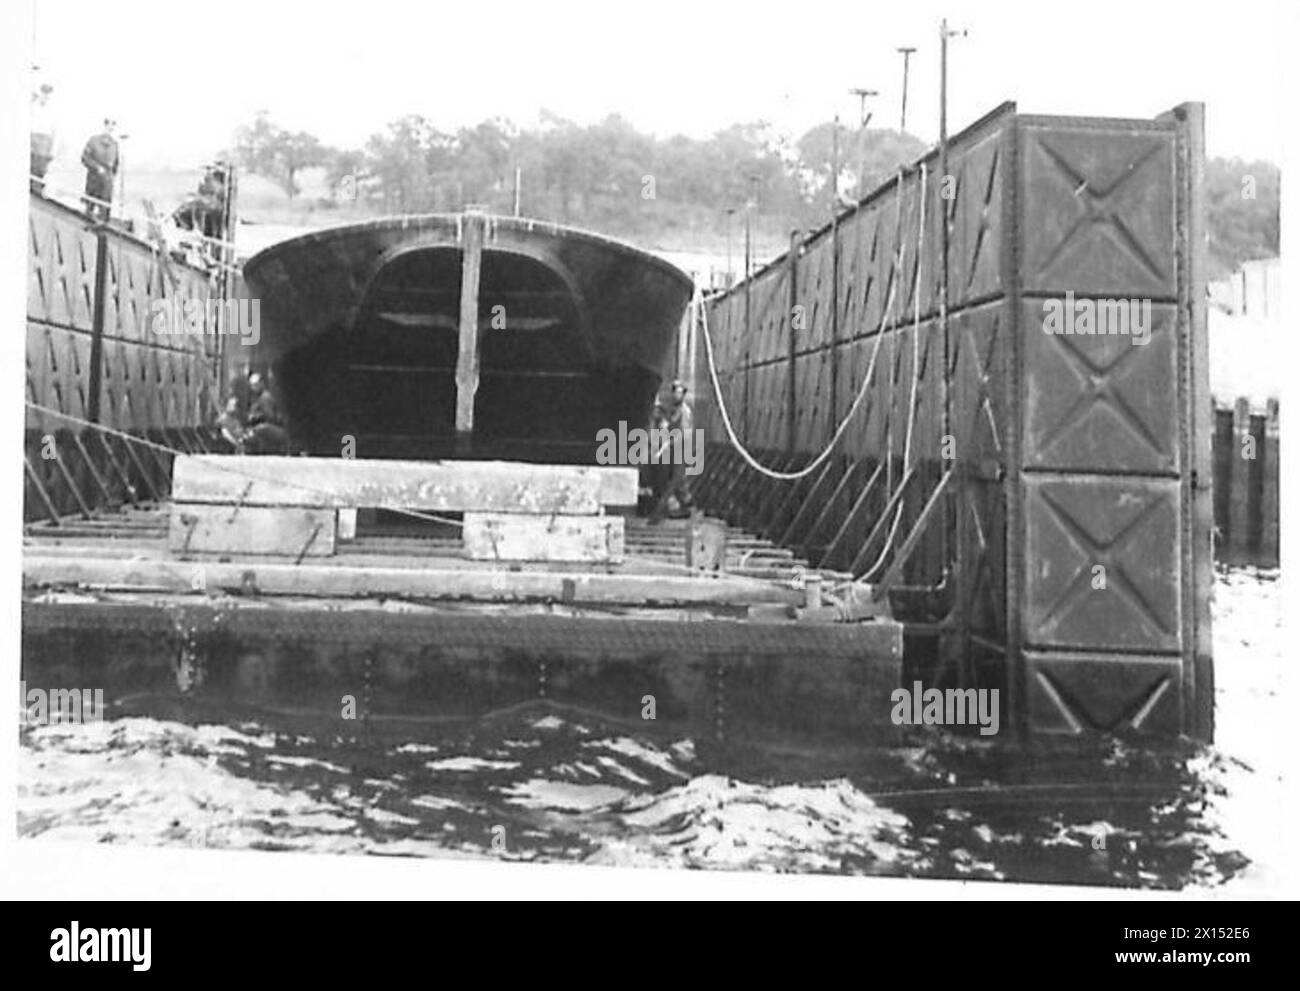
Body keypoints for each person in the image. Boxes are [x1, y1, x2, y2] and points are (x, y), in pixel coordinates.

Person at [81, 119, 119, 221]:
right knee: (89, 210)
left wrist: (111, 177)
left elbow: (116, 165)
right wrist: (97, 168)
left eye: (113, 126)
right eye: (109, 125)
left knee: (104, 212)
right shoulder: (93, 141)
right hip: (94, 180)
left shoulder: (114, 144)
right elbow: (85, 158)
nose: (110, 128)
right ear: (104, 125)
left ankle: (103, 228)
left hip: (106, 183)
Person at [243, 371, 290, 454]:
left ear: (262, 384)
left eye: (256, 385)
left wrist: (255, 417)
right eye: (252, 385)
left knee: (261, 428)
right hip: (263, 428)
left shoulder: (265, 398)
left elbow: (270, 418)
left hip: (275, 429)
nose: (253, 388)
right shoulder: (255, 399)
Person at [29, 82, 54, 193]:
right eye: (44, 93)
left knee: (39, 168)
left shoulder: (53, 110)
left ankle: (36, 190)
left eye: (47, 94)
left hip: (45, 139)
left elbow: (54, 131)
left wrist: (51, 149)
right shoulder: (33, 105)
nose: (45, 96)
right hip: (31, 136)